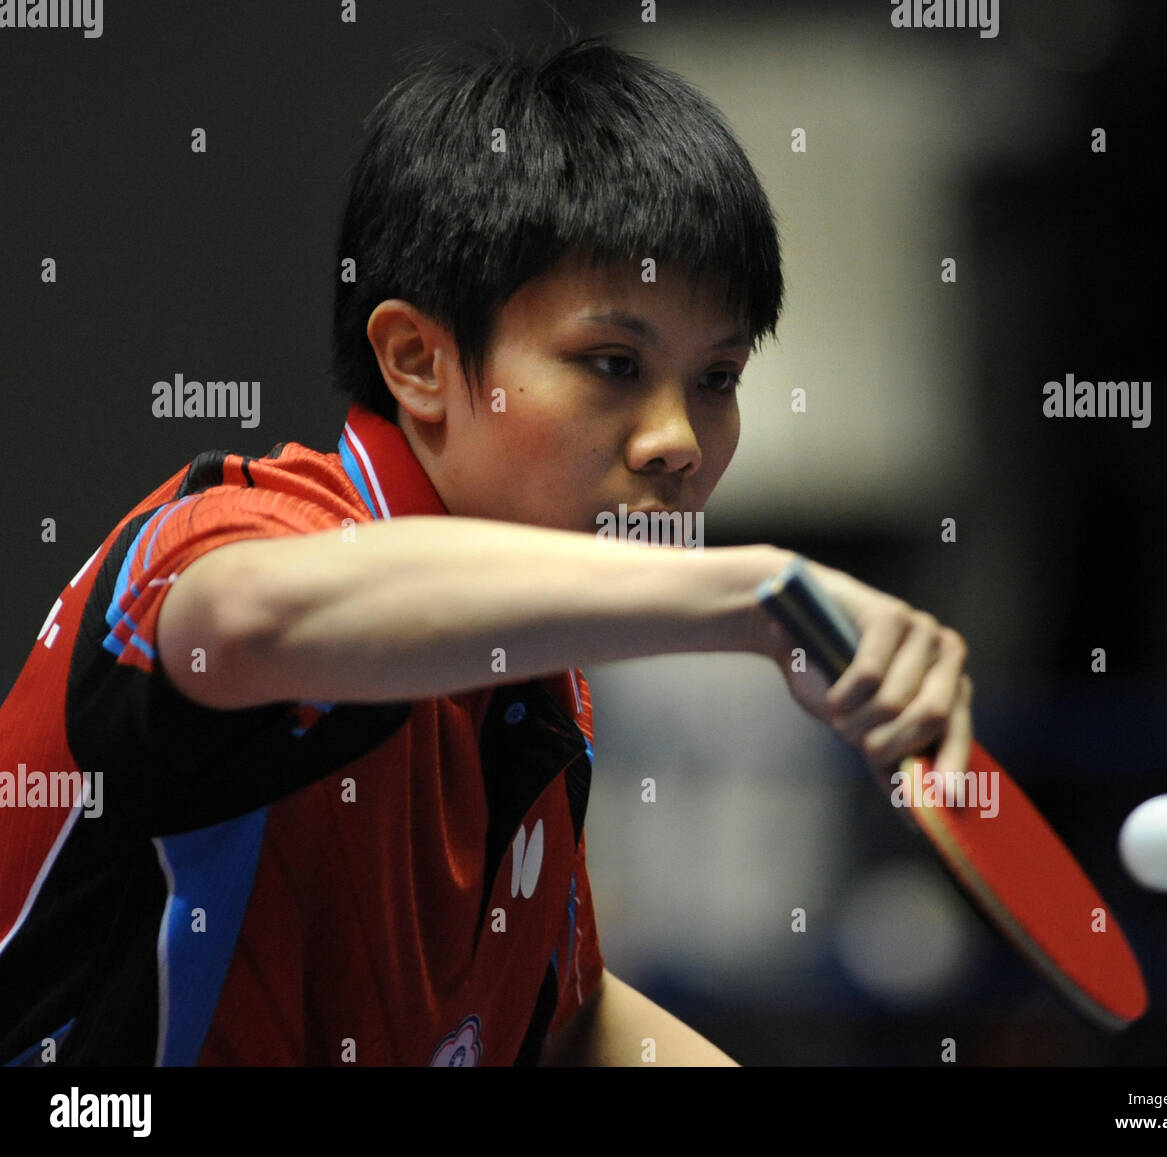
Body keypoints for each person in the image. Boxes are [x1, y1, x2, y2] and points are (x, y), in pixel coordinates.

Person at [0, 36, 971, 1067]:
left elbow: (567, 1017)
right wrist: (752, 595)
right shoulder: (227, 537)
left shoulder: (535, 691)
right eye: (613, 362)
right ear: (418, 360)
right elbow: (246, 618)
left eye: (716, 377)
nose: (679, 441)